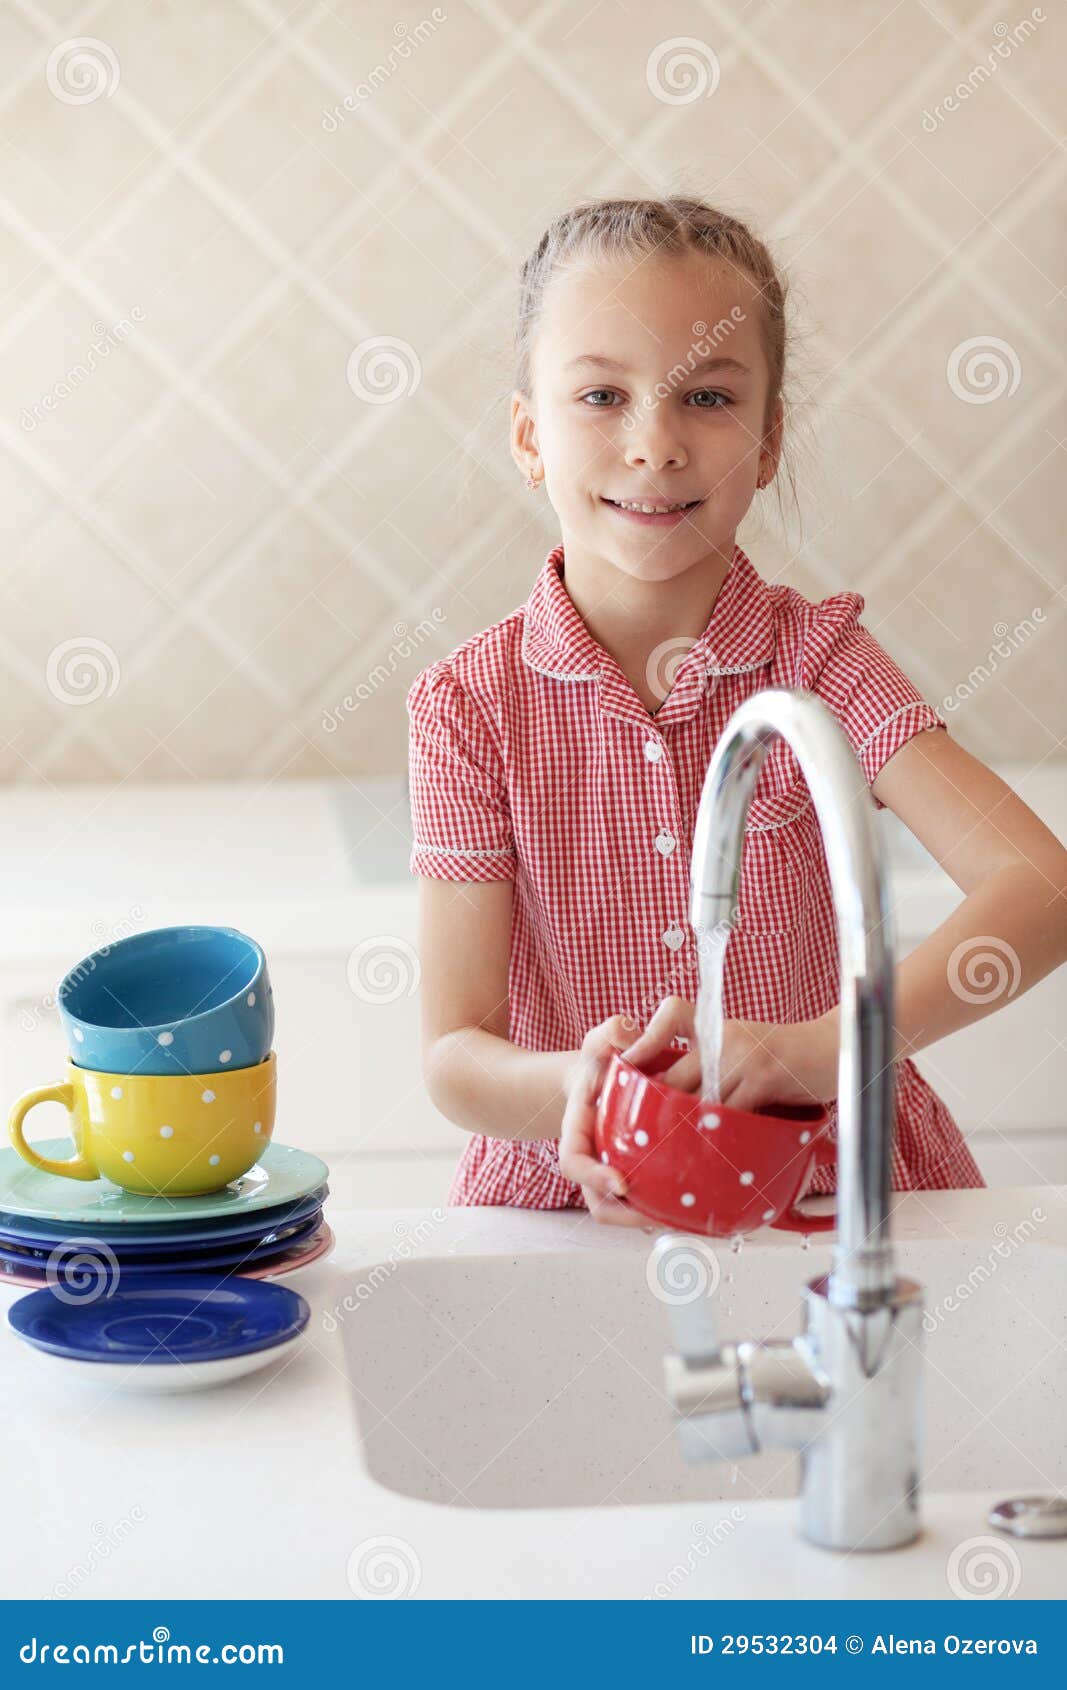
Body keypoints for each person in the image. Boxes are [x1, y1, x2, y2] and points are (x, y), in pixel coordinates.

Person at [406, 196, 1067, 1226]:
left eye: (706, 399)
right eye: (600, 396)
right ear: (529, 437)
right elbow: (454, 1055)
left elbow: (1041, 889)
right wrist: (573, 1091)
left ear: (764, 445)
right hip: (566, 1208)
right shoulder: (467, 709)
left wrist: (811, 1049)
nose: (653, 444)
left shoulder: (822, 665)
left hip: (829, 1190)